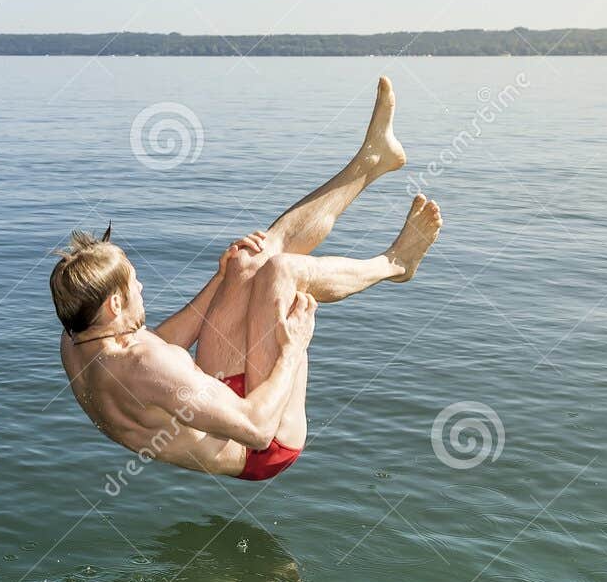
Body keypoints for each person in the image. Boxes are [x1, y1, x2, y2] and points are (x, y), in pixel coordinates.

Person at [52, 78, 441, 481]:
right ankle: (396, 263)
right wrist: (293, 348)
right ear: (114, 304)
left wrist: (223, 279)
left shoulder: (78, 335)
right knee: (284, 271)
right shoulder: (146, 366)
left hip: (219, 402)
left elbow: (159, 347)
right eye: (133, 283)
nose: (142, 287)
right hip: (263, 442)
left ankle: (373, 159)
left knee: (249, 258)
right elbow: (256, 431)